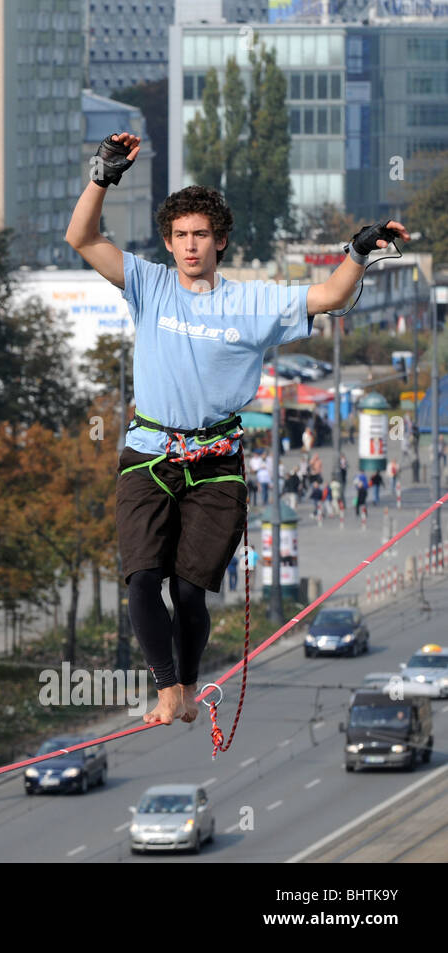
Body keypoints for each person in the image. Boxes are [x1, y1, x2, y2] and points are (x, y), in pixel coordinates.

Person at [64, 129, 411, 727]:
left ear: (219, 240)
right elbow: (82, 238)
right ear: (168, 243)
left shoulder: (254, 304)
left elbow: (329, 295)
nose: (190, 246)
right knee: (144, 579)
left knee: (192, 589)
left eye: (201, 235)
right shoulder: (149, 285)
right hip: (149, 454)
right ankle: (167, 688)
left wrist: (356, 253)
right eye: (180, 236)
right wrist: (103, 174)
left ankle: (190, 687)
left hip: (216, 463)